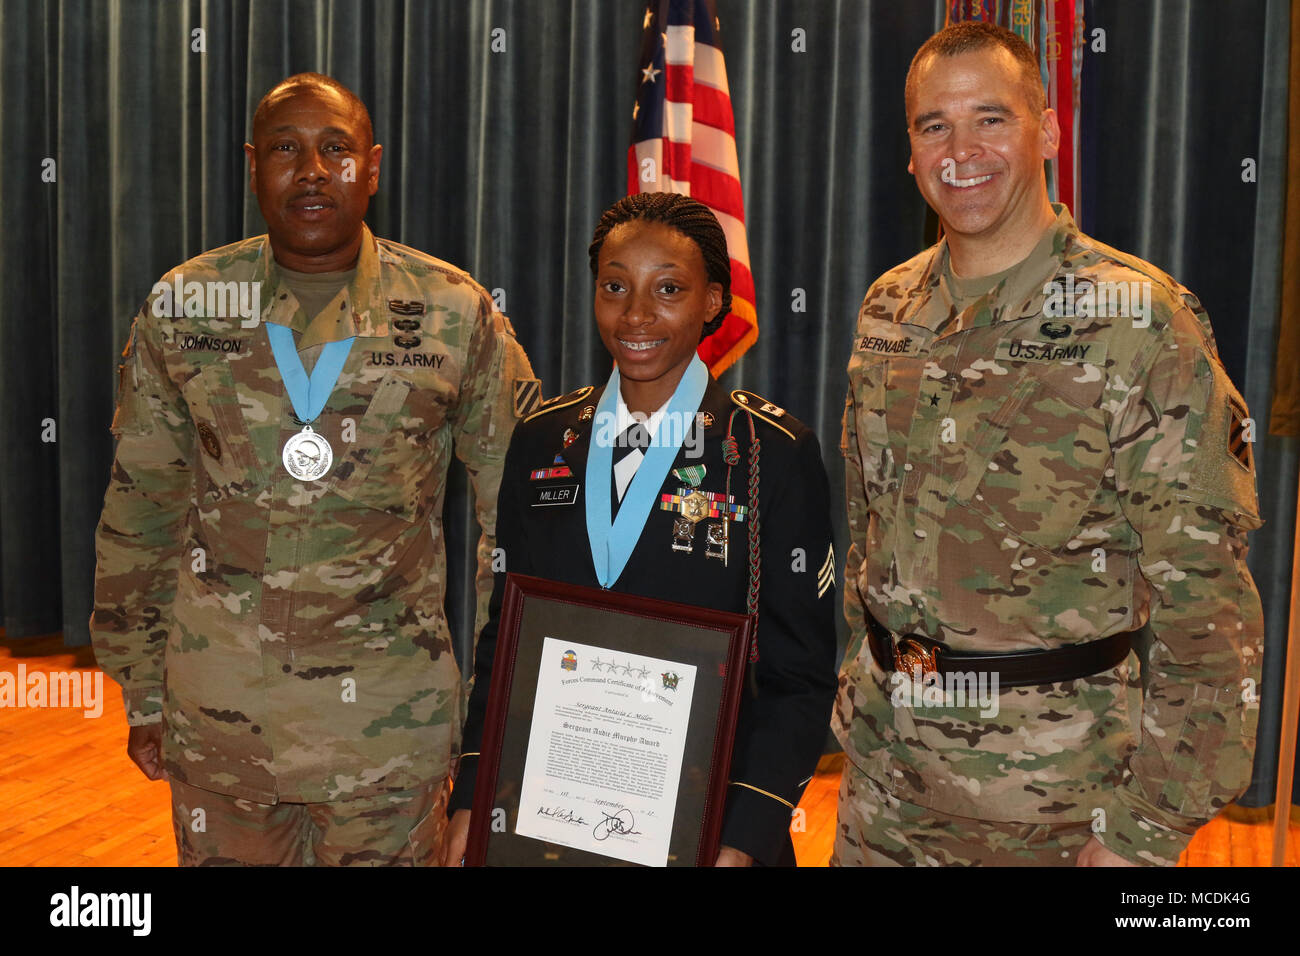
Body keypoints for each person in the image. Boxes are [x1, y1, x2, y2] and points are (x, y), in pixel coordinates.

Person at [834, 21, 1264, 867]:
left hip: (1057, 807)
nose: (962, 149)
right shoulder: (890, 307)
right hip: (882, 784)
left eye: (991, 118)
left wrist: (1147, 830)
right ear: (911, 150)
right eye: (934, 125)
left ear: (1049, 131)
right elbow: (867, 530)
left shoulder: (1140, 322)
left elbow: (1207, 605)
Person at [90, 73, 539, 866]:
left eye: (335, 150)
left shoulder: (452, 311)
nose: (311, 171)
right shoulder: (187, 306)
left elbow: (518, 524)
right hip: (223, 718)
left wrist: (496, 712)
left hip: (388, 735)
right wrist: (145, 689)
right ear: (252, 164)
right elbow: (142, 509)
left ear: (371, 167)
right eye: (285, 150)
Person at [441, 192, 839, 866]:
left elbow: (798, 677)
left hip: (709, 828)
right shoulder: (542, 440)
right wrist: (474, 796)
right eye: (615, 287)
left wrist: (746, 836)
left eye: (670, 290)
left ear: (714, 300)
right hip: (550, 817)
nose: (636, 315)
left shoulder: (772, 451)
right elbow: (502, 640)